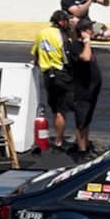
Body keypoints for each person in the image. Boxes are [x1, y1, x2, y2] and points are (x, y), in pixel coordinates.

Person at [35, 10, 75, 151]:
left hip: (47, 75)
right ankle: (59, 141)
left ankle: (57, 137)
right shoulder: (62, 36)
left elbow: (35, 53)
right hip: (61, 74)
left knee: (55, 109)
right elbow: (67, 58)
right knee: (62, 110)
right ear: (62, 22)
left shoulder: (42, 33)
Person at [67, 19, 104, 158]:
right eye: (89, 29)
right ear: (82, 32)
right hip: (82, 90)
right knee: (81, 120)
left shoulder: (84, 45)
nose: (92, 31)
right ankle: (81, 150)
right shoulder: (76, 46)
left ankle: (86, 145)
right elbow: (86, 58)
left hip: (91, 89)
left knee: (87, 119)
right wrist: (87, 41)